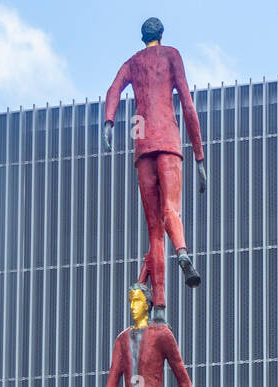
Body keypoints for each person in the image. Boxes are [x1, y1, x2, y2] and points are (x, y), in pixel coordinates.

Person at [103, 16, 206, 314]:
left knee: (153, 232)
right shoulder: (172, 55)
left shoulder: (132, 63)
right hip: (169, 142)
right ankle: (183, 252)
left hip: (143, 145)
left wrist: (109, 123)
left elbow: (113, 90)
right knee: (170, 210)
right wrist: (199, 156)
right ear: (161, 33)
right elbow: (187, 104)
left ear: (142, 36)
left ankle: (159, 305)